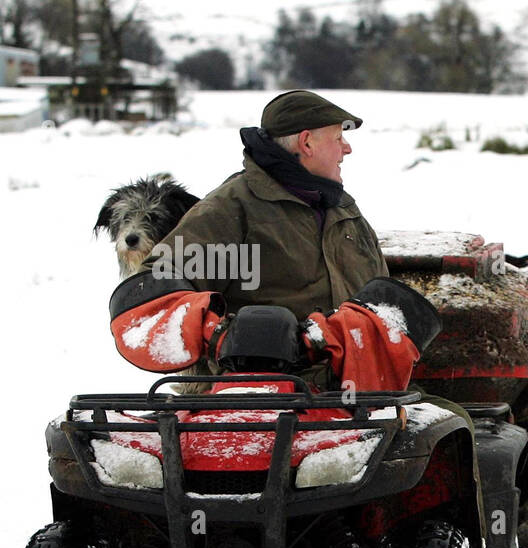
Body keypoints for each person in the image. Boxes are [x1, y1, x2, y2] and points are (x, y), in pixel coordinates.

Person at [109, 90, 437, 392]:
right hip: (262, 399)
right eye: (338, 138)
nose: (347, 148)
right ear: (307, 143)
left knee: (456, 426)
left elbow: (377, 299)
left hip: (355, 397)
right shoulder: (233, 209)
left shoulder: (343, 211)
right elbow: (154, 289)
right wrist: (223, 337)